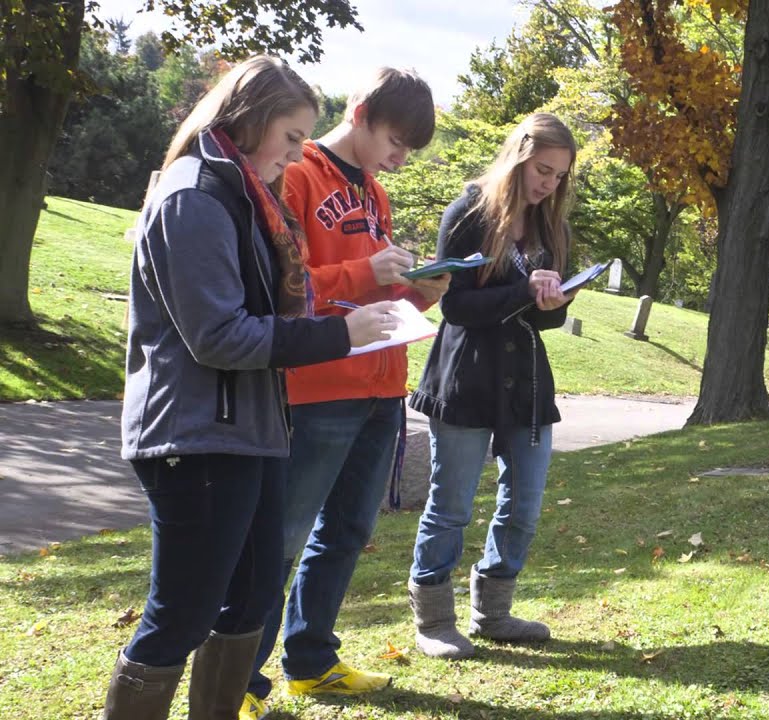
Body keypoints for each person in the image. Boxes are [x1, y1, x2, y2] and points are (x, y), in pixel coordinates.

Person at [105, 55, 399, 720]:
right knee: (182, 614)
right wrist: (339, 336)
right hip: (196, 436)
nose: (297, 156)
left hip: (252, 431)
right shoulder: (196, 197)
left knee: (254, 593)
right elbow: (220, 337)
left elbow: (269, 315)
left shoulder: (247, 196)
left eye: (303, 142)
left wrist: (354, 317)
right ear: (249, 118)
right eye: (291, 138)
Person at [240, 68, 448, 719]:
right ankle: (237, 679)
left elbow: (375, 297)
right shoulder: (297, 174)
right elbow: (286, 286)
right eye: (394, 139)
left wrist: (422, 291)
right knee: (283, 534)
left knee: (350, 528)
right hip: (319, 388)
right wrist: (366, 269)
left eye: (410, 149)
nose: (399, 156)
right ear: (359, 112)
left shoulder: (376, 193)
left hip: (382, 385)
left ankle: (312, 662)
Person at [405, 113, 578, 660]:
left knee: (523, 503)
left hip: (525, 383)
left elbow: (540, 317)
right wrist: (523, 291)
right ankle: (433, 621)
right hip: (465, 377)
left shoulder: (549, 224)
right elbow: (453, 304)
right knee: (450, 505)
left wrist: (555, 301)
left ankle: (493, 612)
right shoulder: (470, 211)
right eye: (543, 170)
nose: (549, 184)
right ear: (519, 155)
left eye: (559, 176)